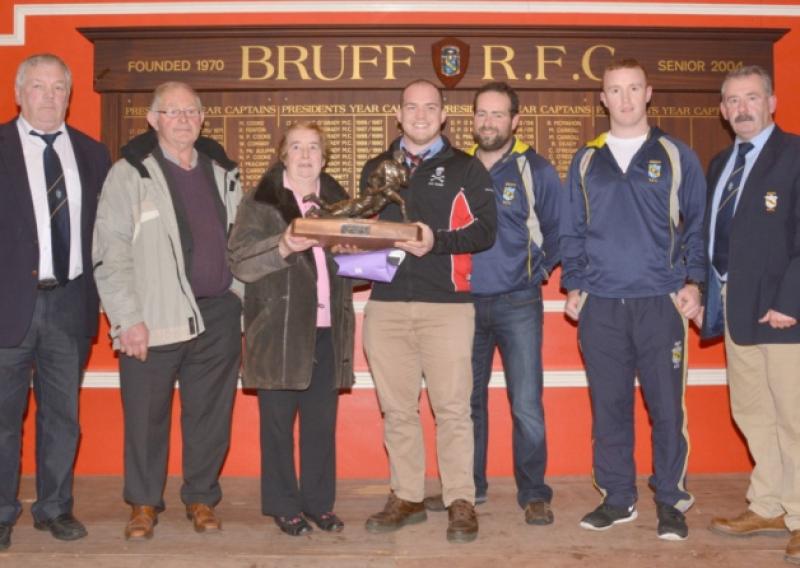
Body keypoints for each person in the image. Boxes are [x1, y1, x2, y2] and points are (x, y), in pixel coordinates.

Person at [560, 59, 706, 540]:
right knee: (610, 407)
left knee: (666, 409)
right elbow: (572, 230)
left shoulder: (676, 154)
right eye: (614, 90)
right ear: (602, 99)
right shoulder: (585, 160)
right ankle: (618, 498)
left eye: (633, 89)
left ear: (649, 94)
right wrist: (576, 283)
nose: (623, 99)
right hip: (601, 304)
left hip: (659, 302)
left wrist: (694, 283)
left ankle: (671, 499)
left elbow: (698, 227)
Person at [93, 81, 243, 540]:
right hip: (153, 316)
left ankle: (201, 498)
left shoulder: (223, 171)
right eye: (172, 112)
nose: (183, 120)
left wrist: (240, 301)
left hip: (217, 314)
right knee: (144, 415)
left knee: (209, 415)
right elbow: (110, 249)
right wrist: (125, 318)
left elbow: (242, 242)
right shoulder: (129, 173)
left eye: (191, 112)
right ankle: (142, 504)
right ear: (153, 120)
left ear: (201, 118)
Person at [362, 79, 496, 544]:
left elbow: (485, 233)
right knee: (397, 410)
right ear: (398, 114)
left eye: (430, 107)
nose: (420, 115)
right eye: (411, 107)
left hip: (448, 307)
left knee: (454, 409)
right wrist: (351, 246)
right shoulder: (376, 168)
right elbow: (367, 233)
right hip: (386, 307)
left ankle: (460, 498)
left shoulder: (466, 168)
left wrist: (436, 241)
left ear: (443, 117)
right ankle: (408, 495)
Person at [424, 82, 561, 525]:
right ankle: (471, 488)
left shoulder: (535, 169)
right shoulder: (459, 168)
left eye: (498, 115)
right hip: (463, 304)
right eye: (482, 113)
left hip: (518, 301)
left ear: (515, 121)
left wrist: (534, 272)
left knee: (525, 403)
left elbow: (556, 231)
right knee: (466, 403)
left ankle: (535, 493)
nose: (488, 122)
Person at [0, 53, 111, 551]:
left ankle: (54, 508)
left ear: (69, 95)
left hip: (69, 303)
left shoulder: (92, 153)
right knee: (3, 419)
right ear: (19, 93)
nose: (49, 96)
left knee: (62, 417)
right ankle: (2, 511)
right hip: (8, 307)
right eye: (39, 86)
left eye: (58, 88)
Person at [228, 122, 355, 536]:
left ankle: (319, 505)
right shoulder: (260, 202)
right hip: (277, 333)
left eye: (313, 147)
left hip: (326, 331)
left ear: (324, 155)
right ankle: (284, 506)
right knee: (278, 427)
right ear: (283, 155)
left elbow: (353, 274)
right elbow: (241, 262)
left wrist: (367, 257)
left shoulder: (339, 202)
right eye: (296, 147)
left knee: (321, 425)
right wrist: (282, 246)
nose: (305, 155)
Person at [699, 66, 800, 564]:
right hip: (732, 309)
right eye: (732, 101)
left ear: (772, 102)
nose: (741, 108)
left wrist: (791, 301)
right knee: (753, 413)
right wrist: (700, 292)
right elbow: (713, 238)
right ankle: (768, 505)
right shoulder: (721, 164)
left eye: (751, 98)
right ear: (722, 111)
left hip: (783, 314)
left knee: (794, 419)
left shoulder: (796, 154)